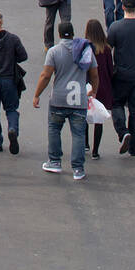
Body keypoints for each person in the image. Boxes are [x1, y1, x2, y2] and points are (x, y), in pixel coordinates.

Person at [34, 20, 97, 179]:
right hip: (79, 100)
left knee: (54, 129)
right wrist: (94, 91)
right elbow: (94, 74)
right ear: (73, 33)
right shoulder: (85, 50)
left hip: (58, 99)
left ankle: (54, 161)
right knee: (78, 134)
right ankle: (78, 169)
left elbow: (46, 75)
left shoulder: (54, 51)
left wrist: (37, 95)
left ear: (59, 34)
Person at [0, 10, 28, 156]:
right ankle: (12, 129)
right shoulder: (12, 39)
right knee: (12, 109)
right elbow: (23, 56)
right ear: (0, 21)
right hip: (9, 79)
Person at [107, 0, 135, 156]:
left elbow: (108, 50)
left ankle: (123, 132)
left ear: (122, 7)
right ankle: (134, 147)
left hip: (121, 74)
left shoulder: (115, 27)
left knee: (116, 104)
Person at [83, 18, 113, 159]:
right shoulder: (106, 48)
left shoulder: (85, 48)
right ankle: (95, 151)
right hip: (103, 86)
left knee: (85, 115)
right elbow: (110, 68)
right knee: (98, 119)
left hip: (87, 85)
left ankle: (85, 144)